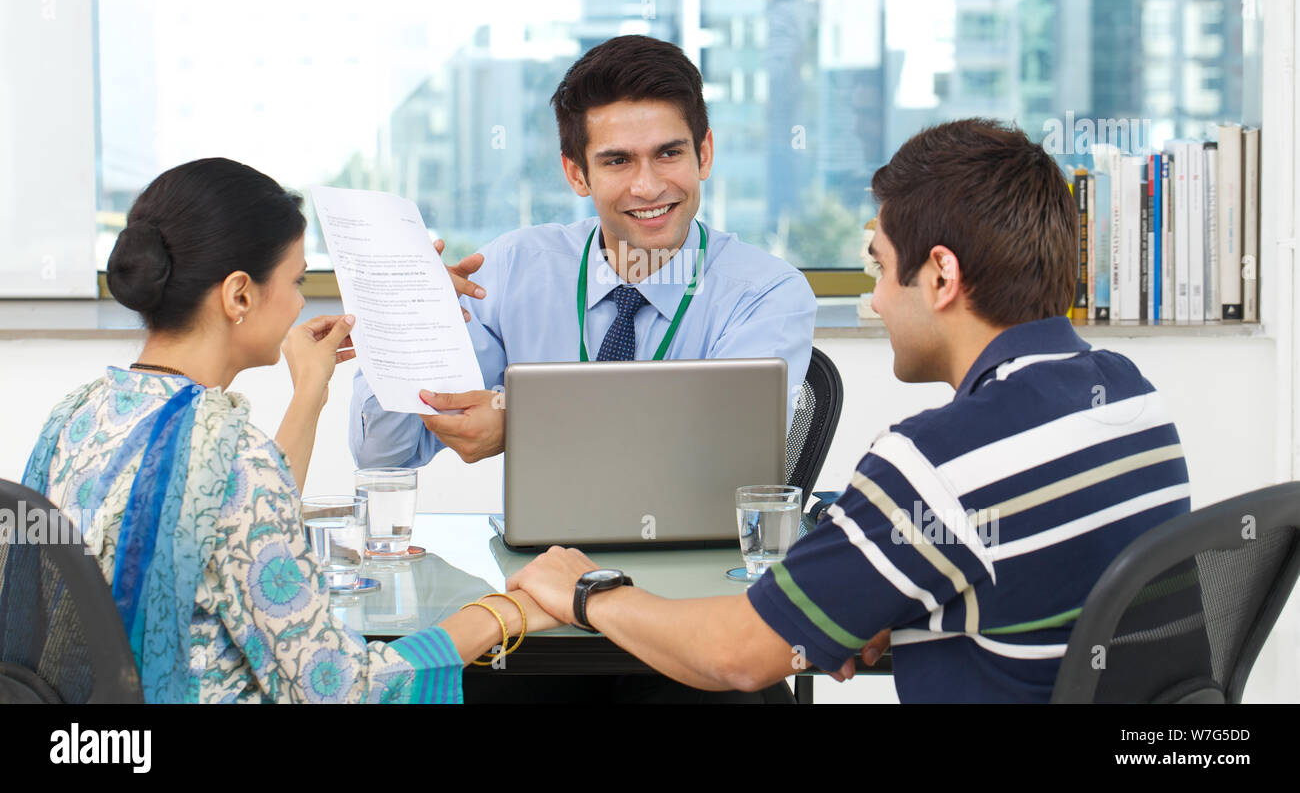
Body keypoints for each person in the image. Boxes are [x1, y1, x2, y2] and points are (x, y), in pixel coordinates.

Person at [506, 119, 1192, 703]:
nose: (879, 301)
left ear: (942, 276)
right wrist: (899, 600)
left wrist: (590, 590)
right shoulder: (1131, 400)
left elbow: (736, 656)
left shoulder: (935, 462)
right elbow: (1032, 581)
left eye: (882, 268)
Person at [22, 158, 558, 704]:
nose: (302, 300)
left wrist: (311, 391)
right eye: (296, 279)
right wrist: (499, 612)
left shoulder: (78, 415)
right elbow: (345, 689)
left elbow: (234, 513)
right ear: (239, 295)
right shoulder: (234, 460)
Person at [349, 35, 818, 468]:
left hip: (701, 557)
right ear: (576, 175)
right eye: (618, 161)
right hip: (543, 555)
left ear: (705, 154)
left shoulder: (767, 294)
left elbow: (722, 453)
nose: (649, 186)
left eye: (669, 154)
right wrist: (403, 326)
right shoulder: (513, 269)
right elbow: (384, 454)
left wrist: (527, 423)